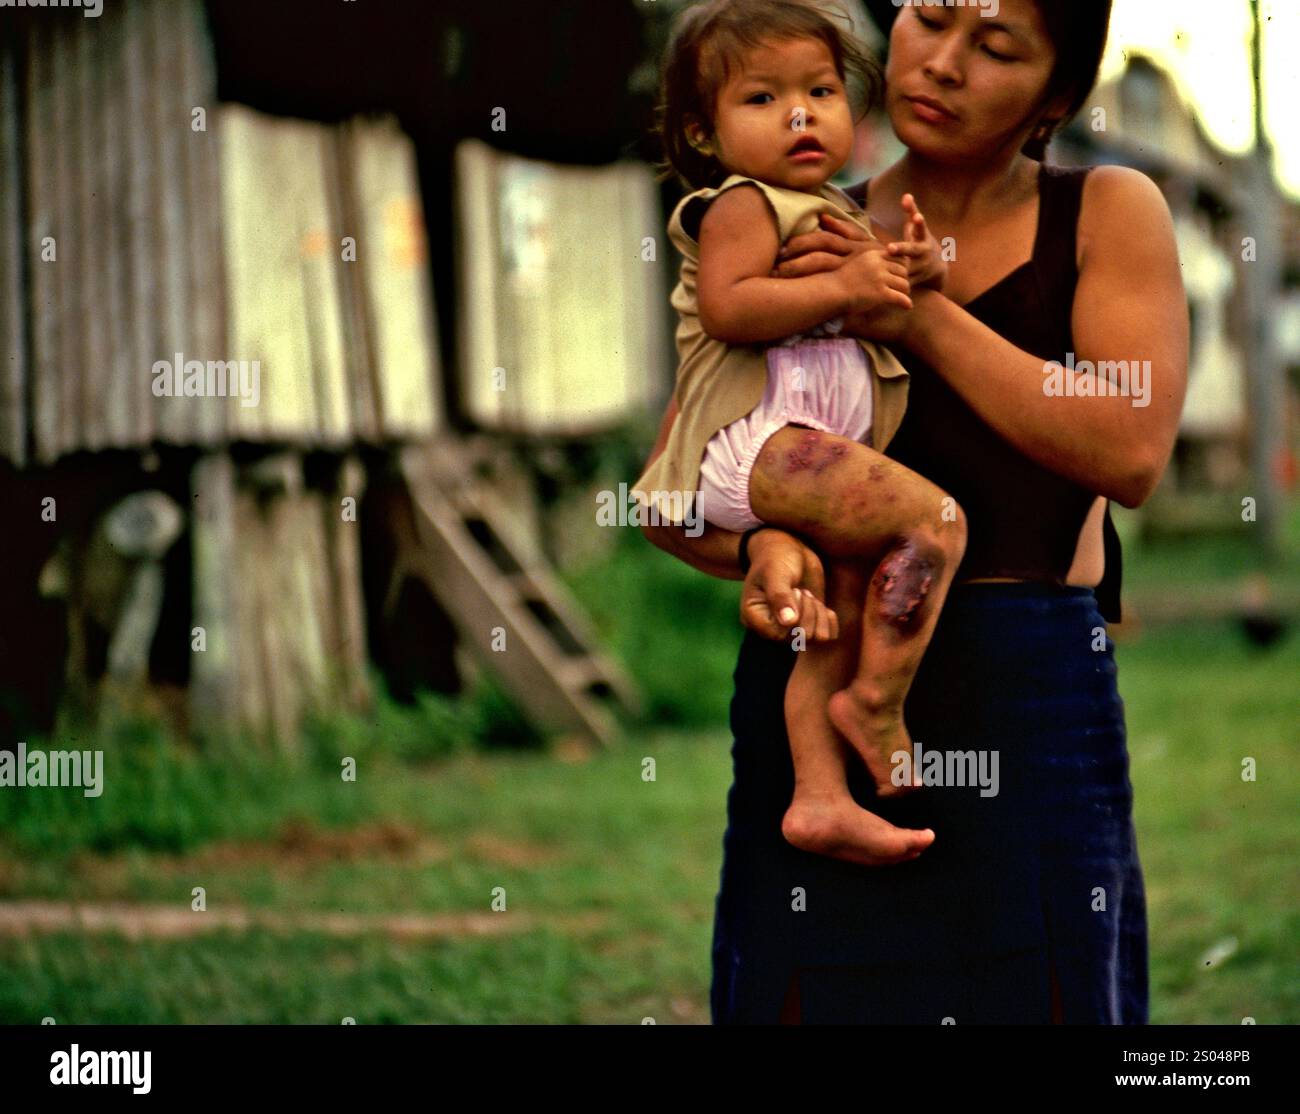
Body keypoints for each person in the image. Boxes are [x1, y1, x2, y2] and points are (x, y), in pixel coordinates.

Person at [640, 0, 1188, 1024]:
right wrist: (760, 544)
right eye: (929, 18)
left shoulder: (1104, 212)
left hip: (1027, 688)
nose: (941, 62)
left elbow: (1128, 447)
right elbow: (672, 490)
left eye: (994, 47)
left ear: (1055, 97)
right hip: (825, 673)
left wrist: (913, 315)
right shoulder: (788, 216)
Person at [635, 0, 968, 867]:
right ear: (704, 135)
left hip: (806, 456)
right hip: (762, 441)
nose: (800, 113)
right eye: (762, 99)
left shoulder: (826, 208)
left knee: (837, 607)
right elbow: (731, 306)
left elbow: (880, 280)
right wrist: (846, 291)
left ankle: (818, 798)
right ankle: (878, 705)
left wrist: (914, 268)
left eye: (820, 90)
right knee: (935, 524)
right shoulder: (742, 205)